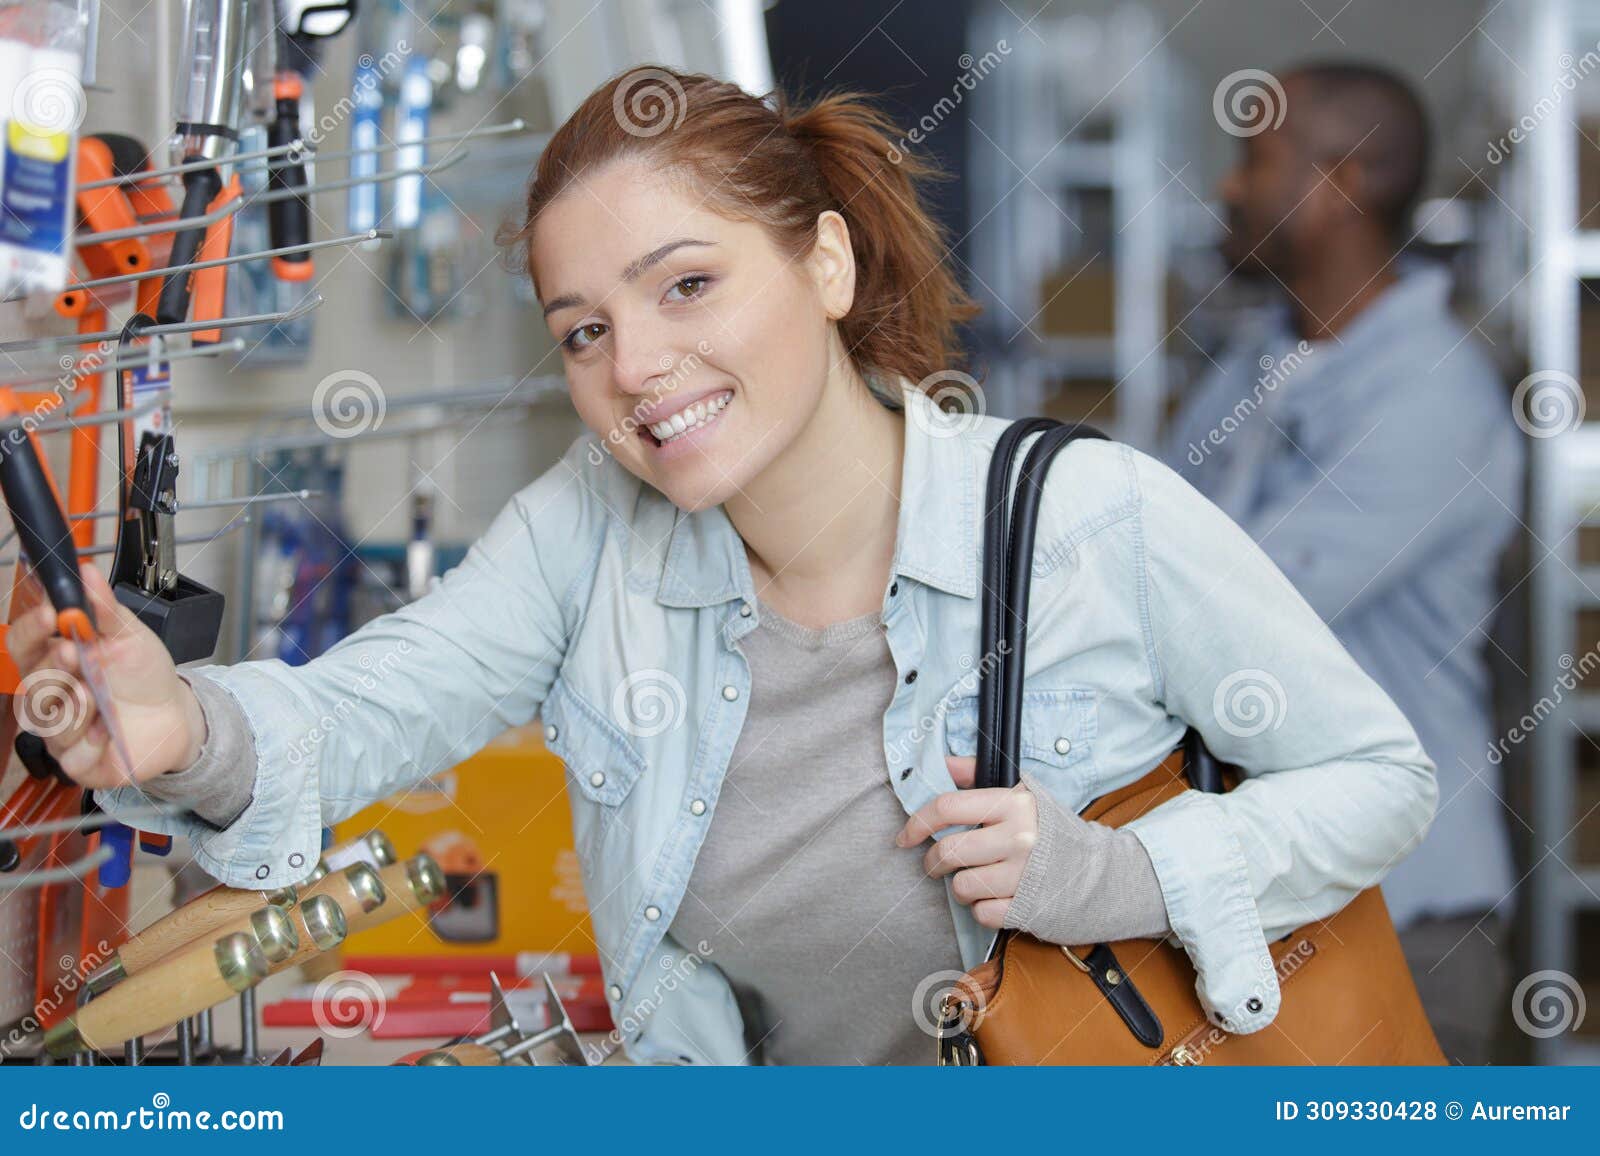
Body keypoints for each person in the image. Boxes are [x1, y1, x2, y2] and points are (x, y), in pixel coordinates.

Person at [13, 67, 1437, 1066]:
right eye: (582, 331)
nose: (636, 367)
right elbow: (376, 705)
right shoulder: (594, 533)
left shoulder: (1085, 522)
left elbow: (1383, 780)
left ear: (822, 265)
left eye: (687, 285)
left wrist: (1124, 874)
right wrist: (182, 726)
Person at [1162, 62, 1523, 1064]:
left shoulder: (1433, 396)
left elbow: (1223, 602)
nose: (1229, 188)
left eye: (1255, 158)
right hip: (1264, 919)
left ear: (1344, 181)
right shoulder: (1252, 364)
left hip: (1399, 923)